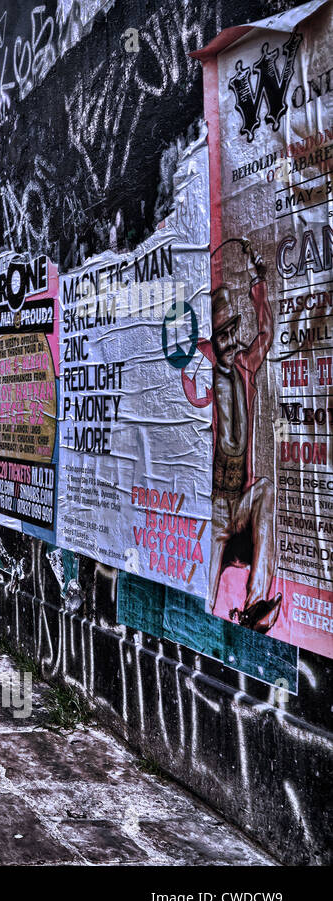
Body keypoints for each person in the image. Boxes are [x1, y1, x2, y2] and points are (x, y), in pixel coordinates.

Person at [181, 239, 282, 632]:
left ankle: (255, 605)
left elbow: (266, 331)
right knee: (205, 585)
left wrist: (258, 279)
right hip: (216, 510)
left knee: (267, 490)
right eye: (219, 336)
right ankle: (200, 618)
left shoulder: (244, 365)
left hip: (240, 501)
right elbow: (183, 352)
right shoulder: (203, 358)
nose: (225, 343)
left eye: (230, 334)